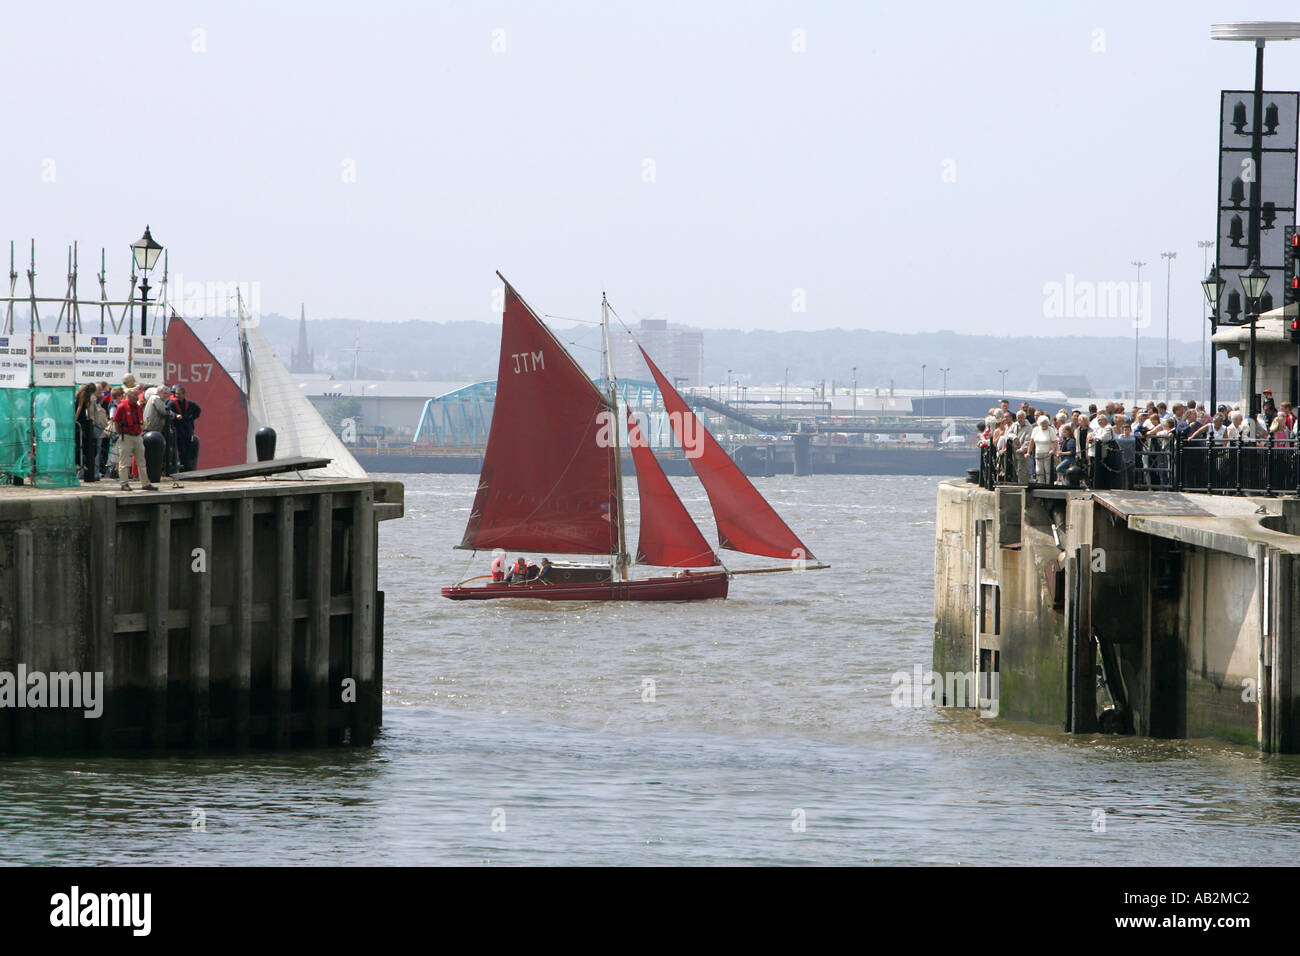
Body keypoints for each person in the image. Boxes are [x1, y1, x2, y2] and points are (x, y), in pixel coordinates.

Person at [116, 386, 156, 491]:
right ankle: (124, 484)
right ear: (128, 396)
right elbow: (116, 422)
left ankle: (145, 483)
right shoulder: (122, 407)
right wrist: (120, 433)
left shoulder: (138, 407)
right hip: (126, 436)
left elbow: (141, 421)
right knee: (124, 462)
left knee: (141, 461)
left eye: (136, 395)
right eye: (133, 396)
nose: (135, 397)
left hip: (137, 436)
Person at [167, 385, 202, 472]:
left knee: (188, 449)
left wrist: (191, 417)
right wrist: (175, 416)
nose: (177, 396)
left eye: (179, 394)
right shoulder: (172, 403)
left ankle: (187, 467)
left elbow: (198, 410)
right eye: (176, 394)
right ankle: (182, 467)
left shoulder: (190, 404)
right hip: (177, 430)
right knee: (180, 450)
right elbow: (167, 411)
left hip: (187, 430)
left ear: (183, 394)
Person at [74, 382, 100, 483]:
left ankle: (83, 463)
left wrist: (90, 419)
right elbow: (80, 406)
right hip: (80, 418)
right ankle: (80, 462)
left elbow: (88, 408)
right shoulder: (84, 393)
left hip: (83, 419)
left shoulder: (85, 394)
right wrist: (75, 420)